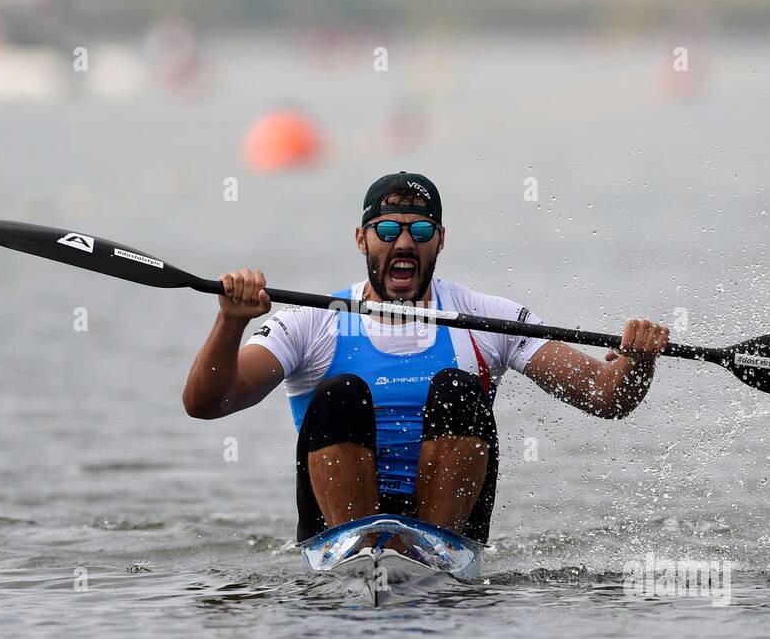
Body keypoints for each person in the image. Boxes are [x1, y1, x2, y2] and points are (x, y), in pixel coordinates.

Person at [182, 171, 669, 543]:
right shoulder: (312, 322)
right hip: (337, 524)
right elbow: (207, 403)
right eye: (388, 228)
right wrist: (231, 322)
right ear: (361, 239)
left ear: (440, 239)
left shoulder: (483, 317)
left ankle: (430, 549)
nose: (403, 242)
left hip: (448, 522)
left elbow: (607, 397)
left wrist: (638, 360)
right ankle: (359, 547)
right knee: (340, 393)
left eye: (420, 230)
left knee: (458, 388)